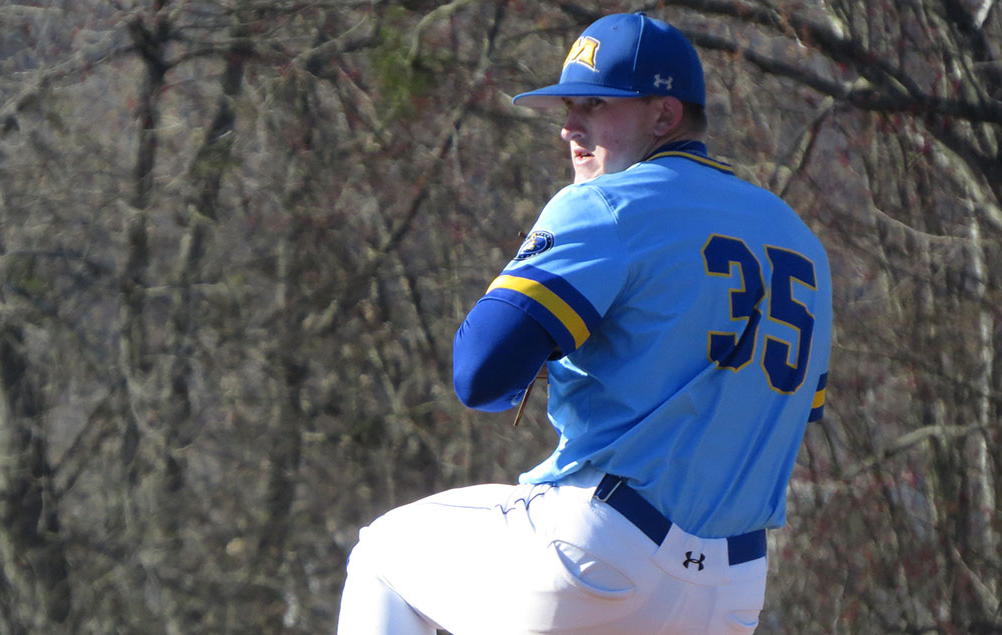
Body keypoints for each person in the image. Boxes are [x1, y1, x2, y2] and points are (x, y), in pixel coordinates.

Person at [337, 12, 832, 635]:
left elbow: (480, 373)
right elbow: (793, 413)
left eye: (597, 104)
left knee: (383, 554)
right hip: (730, 592)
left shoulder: (607, 204)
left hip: (600, 554)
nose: (571, 125)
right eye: (570, 106)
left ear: (664, 115)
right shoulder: (801, 243)